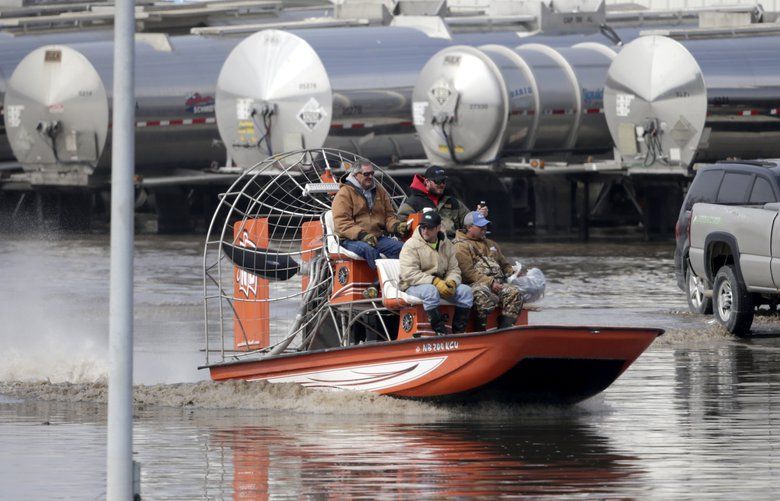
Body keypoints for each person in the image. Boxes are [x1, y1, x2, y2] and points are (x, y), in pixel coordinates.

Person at [399, 211, 473, 336]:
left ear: (438, 228)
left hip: (441, 283)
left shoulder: (447, 244)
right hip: (413, 285)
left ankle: (458, 333)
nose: (425, 231)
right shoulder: (410, 245)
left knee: (466, 291)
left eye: (430, 228)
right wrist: (435, 281)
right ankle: (440, 332)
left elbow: (454, 268)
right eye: (423, 227)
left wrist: (452, 281)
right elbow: (409, 274)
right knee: (430, 291)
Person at [332, 161, 410, 269]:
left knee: (402, 248)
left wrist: (396, 226)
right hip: (350, 239)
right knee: (370, 251)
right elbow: (342, 222)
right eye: (366, 174)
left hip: (375, 237)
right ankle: (377, 283)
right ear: (355, 174)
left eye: (372, 173)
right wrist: (362, 235)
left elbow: (388, 216)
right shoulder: (344, 193)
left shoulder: (380, 190)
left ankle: (399, 278)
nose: (370, 177)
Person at [454, 211, 523, 331]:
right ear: (469, 227)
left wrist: (513, 273)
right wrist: (490, 282)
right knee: (482, 294)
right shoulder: (460, 246)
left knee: (514, 293)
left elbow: (504, 265)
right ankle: (480, 330)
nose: (484, 229)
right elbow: (468, 273)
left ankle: (505, 328)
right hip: (474, 284)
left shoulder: (491, 244)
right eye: (480, 227)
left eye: (485, 226)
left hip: (497, 283)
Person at [397, 166, 470, 239]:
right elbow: (399, 225)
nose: (442, 184)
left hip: (453, 243)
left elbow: (469, 222)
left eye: (443, 181)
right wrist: (402, 227)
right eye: (438, 181)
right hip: (424, 243)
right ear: (427, 182)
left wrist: (478, 215)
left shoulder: (453, 202)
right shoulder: (413, 203)